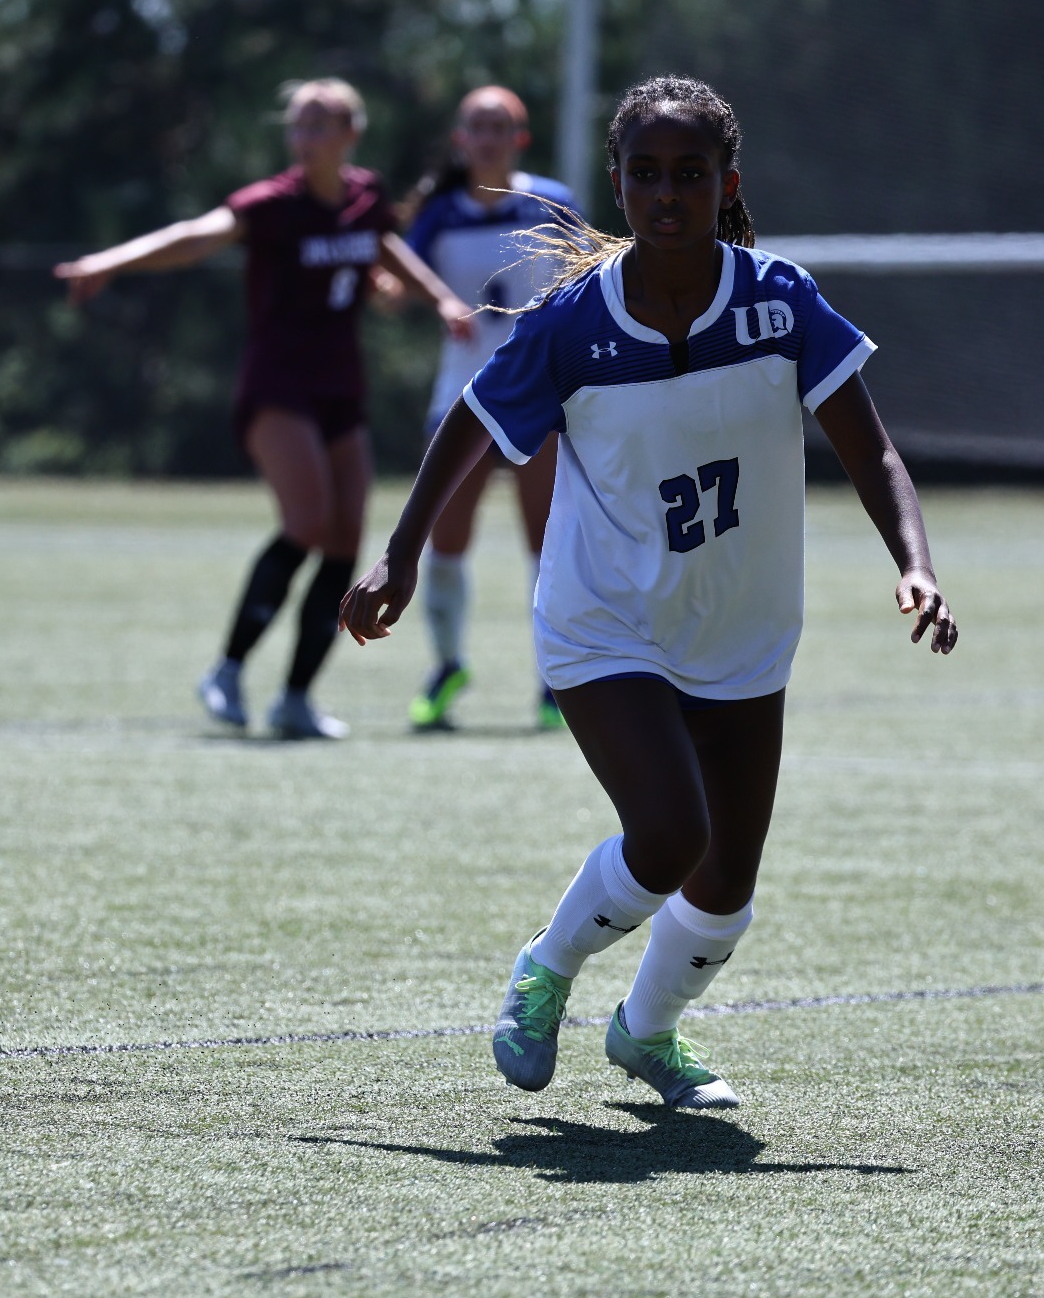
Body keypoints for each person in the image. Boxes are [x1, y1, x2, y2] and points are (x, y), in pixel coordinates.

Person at [340, 76, 958, 1109]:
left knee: (726, 883)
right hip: (603, 617)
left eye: (688, 174)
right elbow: (468, 423)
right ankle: (545, 968)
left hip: (742, 624)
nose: (666, 194)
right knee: (671, 833)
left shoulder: (778, 301)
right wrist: (398, 553)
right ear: (618, 186)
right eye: (644, 175)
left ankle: (647, 1033)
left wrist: (914, 562)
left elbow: (873, 451)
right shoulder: (571, 325)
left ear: (726, 184)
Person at [56, 79, 472, 739]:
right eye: (298, 126)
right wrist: (110, 262)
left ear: (349, 135)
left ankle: (296, 699)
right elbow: (197, 235)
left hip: (341, 389)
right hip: (277, 386)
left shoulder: (364, 197)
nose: (305, 137)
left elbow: (387, 250)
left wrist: (441, 300)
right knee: (306, 522)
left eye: (320, 125)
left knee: (346, 544)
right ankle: (225, 669)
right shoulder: (273, 204)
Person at [397, 86, 576, 732]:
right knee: (444, 543)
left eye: (500, 125)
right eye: (477, 125)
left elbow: (588, 278)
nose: (489, 136)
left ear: (520, 137)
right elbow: (396, 284)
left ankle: (556, 682)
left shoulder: (550, 201)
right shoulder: (439, 214)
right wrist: (384, 277)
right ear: (460, 140)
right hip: (462, 398)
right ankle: (448, 665)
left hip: (542, 399)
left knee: (550, 545)